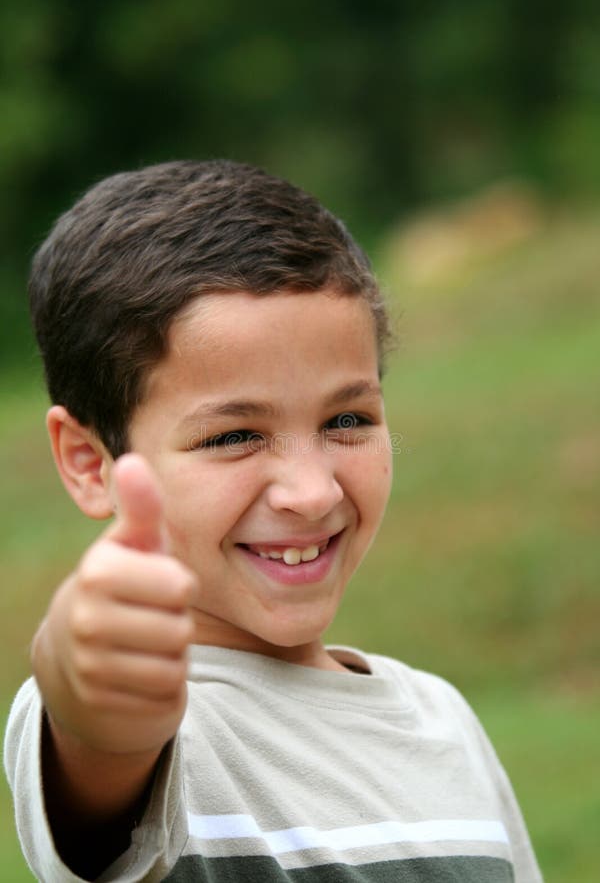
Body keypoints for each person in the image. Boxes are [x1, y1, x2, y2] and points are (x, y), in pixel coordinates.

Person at [4, 160, 543, 882]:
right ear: (88, 462)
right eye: (234, 436)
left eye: (347, 419)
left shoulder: (442, 721)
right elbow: (96, 735)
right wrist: (83, 674)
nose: (312, 491)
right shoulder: (152, 726)